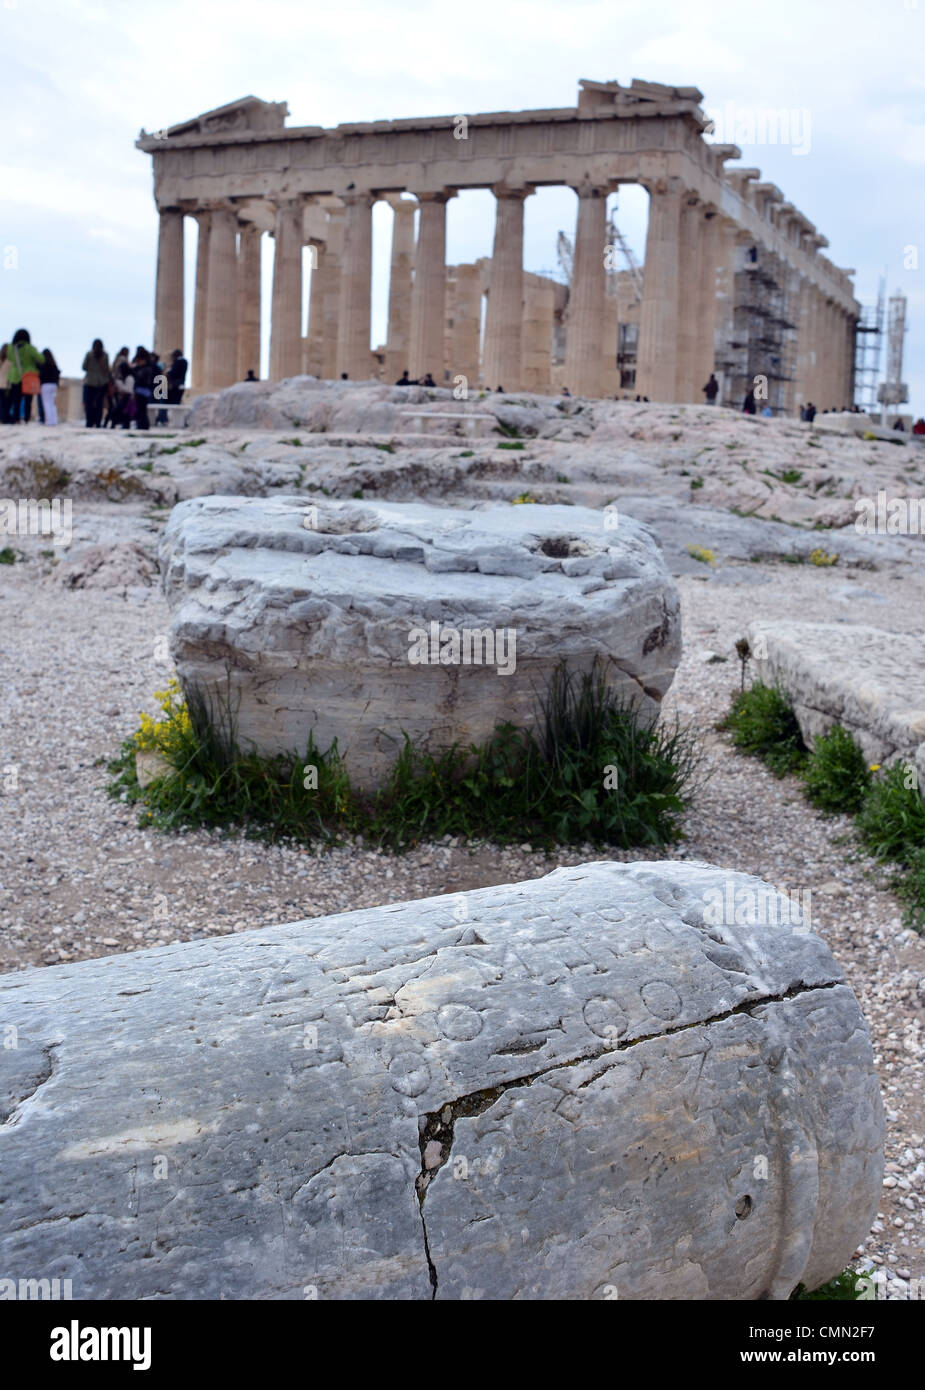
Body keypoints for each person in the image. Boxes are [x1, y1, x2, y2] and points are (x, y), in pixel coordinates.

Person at [6, 329, 45, 424]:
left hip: (15, 375)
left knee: (16, 400)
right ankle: (26, 419)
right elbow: (41, 359)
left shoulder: (11, 348)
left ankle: (16, 419)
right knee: (28, 400)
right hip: (28, 376)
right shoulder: (29, 348)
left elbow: (9, 359)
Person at [82, 339, 110, 427]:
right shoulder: (105, 355)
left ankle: (89, 422)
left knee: (88, 404)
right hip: (100, 382)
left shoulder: (89, 354)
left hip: (89, 381)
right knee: (99, 404)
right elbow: (106, 369)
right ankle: (98, 422)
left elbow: (84, 367)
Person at [131, 346, 154, 429]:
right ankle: (142, 425)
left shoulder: (145, 369)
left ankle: (143, 425)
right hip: (144, 391)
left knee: (141, 409)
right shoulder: (146, 367)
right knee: (141, 409)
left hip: (142, 391)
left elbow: (140, 379)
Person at [39, 348, 60, 426]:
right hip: (53, 385)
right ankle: (54, 420)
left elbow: (41, 375)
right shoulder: (53, 364)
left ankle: (49, 421)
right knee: (52, 403)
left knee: (46, 403)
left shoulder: (43, 364)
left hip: (46, 385)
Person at [0, 346, 9, 425]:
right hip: (7, 385)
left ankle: (2, 419)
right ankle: (5, 418)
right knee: (6, 403)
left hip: (1, 384)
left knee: (2, 403)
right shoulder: (10, 361)